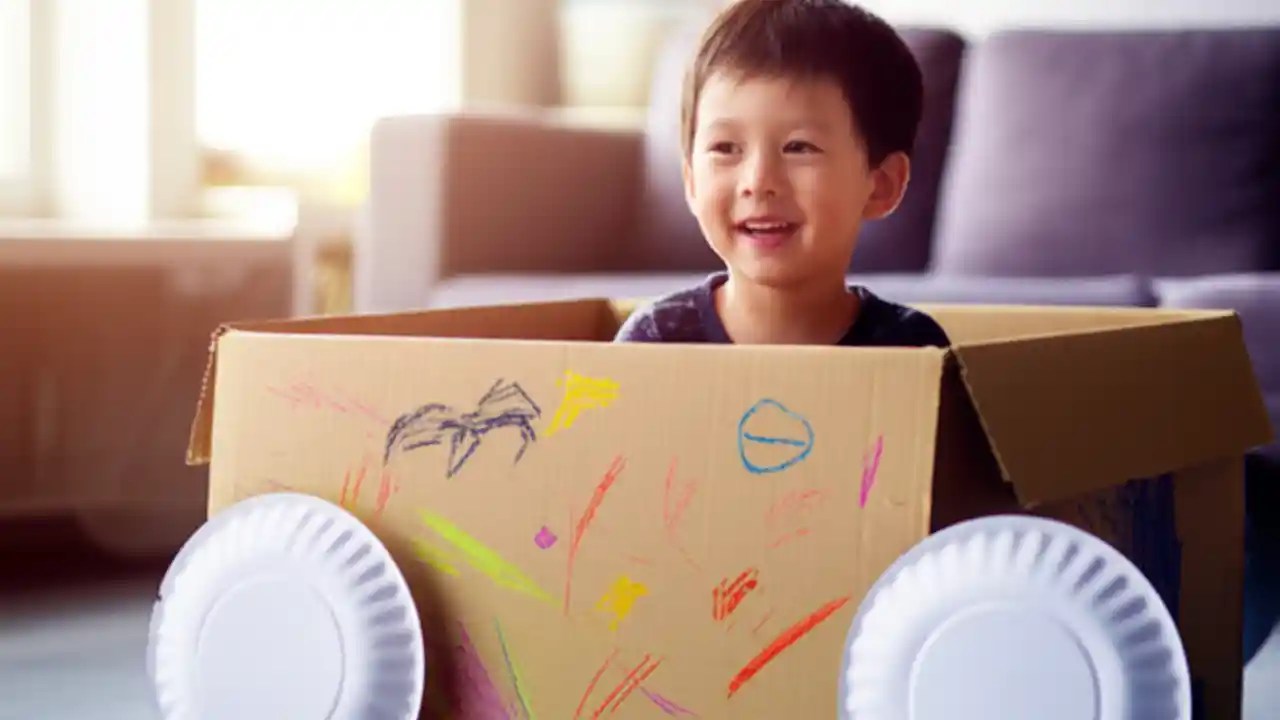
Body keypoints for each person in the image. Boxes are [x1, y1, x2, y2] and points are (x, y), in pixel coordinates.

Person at [615, 0, 949, 348]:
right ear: (691, 181)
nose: (758, 182)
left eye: (799, 148)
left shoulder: (911, 348)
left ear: (881, 185)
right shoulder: (655, 340)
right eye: (726, 148)